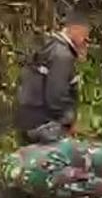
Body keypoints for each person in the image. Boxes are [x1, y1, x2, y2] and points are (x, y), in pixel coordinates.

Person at [15, 10, 91, 144]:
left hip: (28, 120)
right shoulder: (62, 55)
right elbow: (56, 96)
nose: (87, 41)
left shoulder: (50, 46)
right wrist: (68, 122)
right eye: (85, 35)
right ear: (75, 30)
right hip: (43, 124)